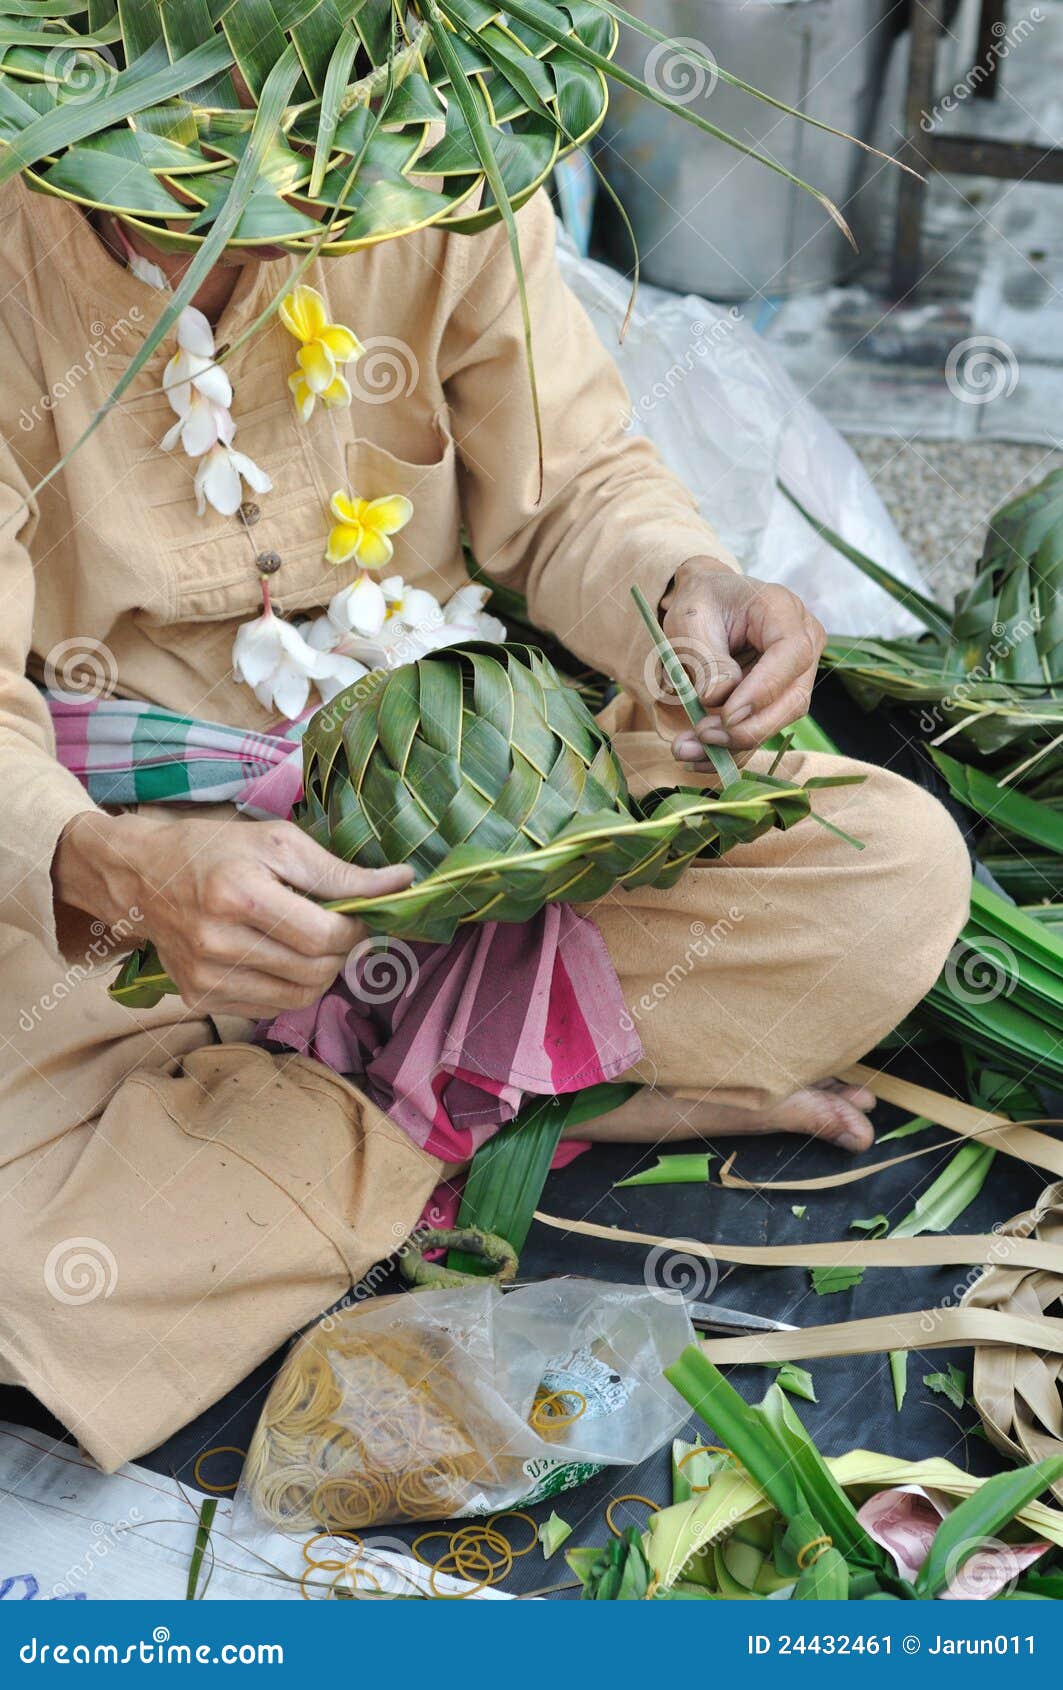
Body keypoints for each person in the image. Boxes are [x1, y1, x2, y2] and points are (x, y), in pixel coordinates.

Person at [0, 174, 969, 1471]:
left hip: (491, 827)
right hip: (142, 901)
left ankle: (351, 1126)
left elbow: (574, 491)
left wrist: (689, 587)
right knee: (36, 1275)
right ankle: (538, 1092)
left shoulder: (428, 154)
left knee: (889, 875)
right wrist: (105, 863)